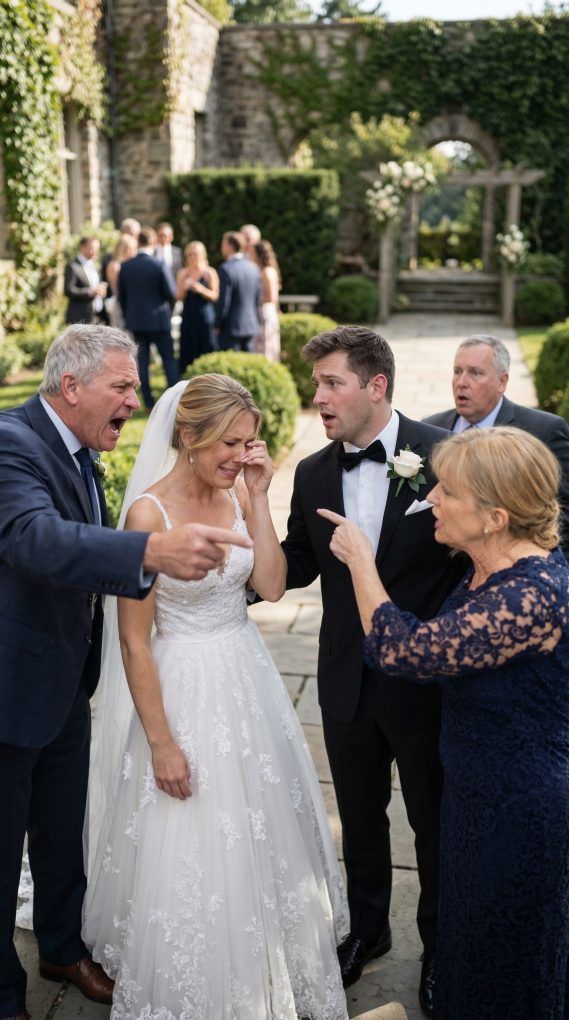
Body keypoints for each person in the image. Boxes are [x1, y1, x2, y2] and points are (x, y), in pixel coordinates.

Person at [0, 325, 254, 1020]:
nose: (135, 402)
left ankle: (62, 947)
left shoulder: (82, 450)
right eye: (121, 387)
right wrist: (148, 552)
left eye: (135, 388)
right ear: (70, 386)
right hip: (11, 686)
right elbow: (33, 538)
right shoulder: (11, 442)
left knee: (63, 830)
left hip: (65, 681)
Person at [82, 374, 349, 1020]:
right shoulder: (149, 515)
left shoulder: (236, 493)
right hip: (181, 685)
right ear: (189, 436)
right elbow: (134, 641)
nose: (241, 455)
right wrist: (162, 743)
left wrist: (257, 497)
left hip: (246, 676)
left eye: (249, 442)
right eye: (230, 443)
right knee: (190, 829)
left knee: (261, 821)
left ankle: (265, 958)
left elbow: (272, 585)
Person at [320, 426, 569, 1020]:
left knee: (505, 959)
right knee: (468, 939)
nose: (431, 497)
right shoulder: (489, 566)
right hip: (474, 795)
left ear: (495, 518)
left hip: (519, 808)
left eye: (448, 491)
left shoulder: (532, 596)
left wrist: (361, 560)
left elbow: (404, 650)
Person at [281, 325, 465, 1016]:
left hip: (425, 683)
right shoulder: (311, 473)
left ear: (376, 385)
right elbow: (297, 561)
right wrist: (233, 563)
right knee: (358, 817)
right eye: (317, 384)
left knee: (433, 823)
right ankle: (367, 929)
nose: (319, 397)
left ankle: (440, 947)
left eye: (332, 383)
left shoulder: (445, 456)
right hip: (346, 680)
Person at [423, 333, 569, 555]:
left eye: (475, 373)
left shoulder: (543, 430)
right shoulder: (430, 427)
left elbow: (563, 514)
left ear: (502, 382)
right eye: (457, 371)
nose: (462, 382)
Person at [118, 227, 179, 408]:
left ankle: (148, 401)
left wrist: (129, 315)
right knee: (168, 359)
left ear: (138, 242)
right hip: (159, 319)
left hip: (136, 321)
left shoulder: (126, 266)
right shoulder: (159, 264)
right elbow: (171, 292)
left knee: (142, 362)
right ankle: (174, 398)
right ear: (153, 242)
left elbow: (122, 297)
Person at [176, 240, 219, 374]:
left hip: (204, 314)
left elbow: (215, 295)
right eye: (189, 254)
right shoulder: (183, 273)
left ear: (202, 255)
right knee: (188, 346)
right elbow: (178, 297)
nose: (192, 257)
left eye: (195, 254)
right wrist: (184, 288)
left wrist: (201, 289)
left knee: (206, 345)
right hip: (188, 314)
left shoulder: (209, 272)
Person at [216, 231, 261, 352]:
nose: (221, 248)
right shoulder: (254, 268)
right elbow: (257, 299)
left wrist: (217, 324)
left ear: (230, 246)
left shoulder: (226, 268)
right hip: (250, 325)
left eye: (223, 244)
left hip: (231, 328)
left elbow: (224, 301)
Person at [64, 236, 107, 325]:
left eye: (97, 249)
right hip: (80, 317)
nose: (95, 252)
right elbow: (68, 290)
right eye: (92, 248)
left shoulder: (95, 266)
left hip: (96, 317)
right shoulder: (73, 266)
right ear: (82, 247)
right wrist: (90, 291)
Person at [251, 239, 281, 362]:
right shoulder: (268, 270)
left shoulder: (266, 272)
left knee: (266, 349)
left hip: (264, 314)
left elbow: (272, 297)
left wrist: (254, 299)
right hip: (266, 312)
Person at [105, 234, 138, 327]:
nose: (135, 252)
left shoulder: (127, 265)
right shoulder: (115, 265)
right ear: (127, 250)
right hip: (120, 304)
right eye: (134, 249)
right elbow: (118, 288)